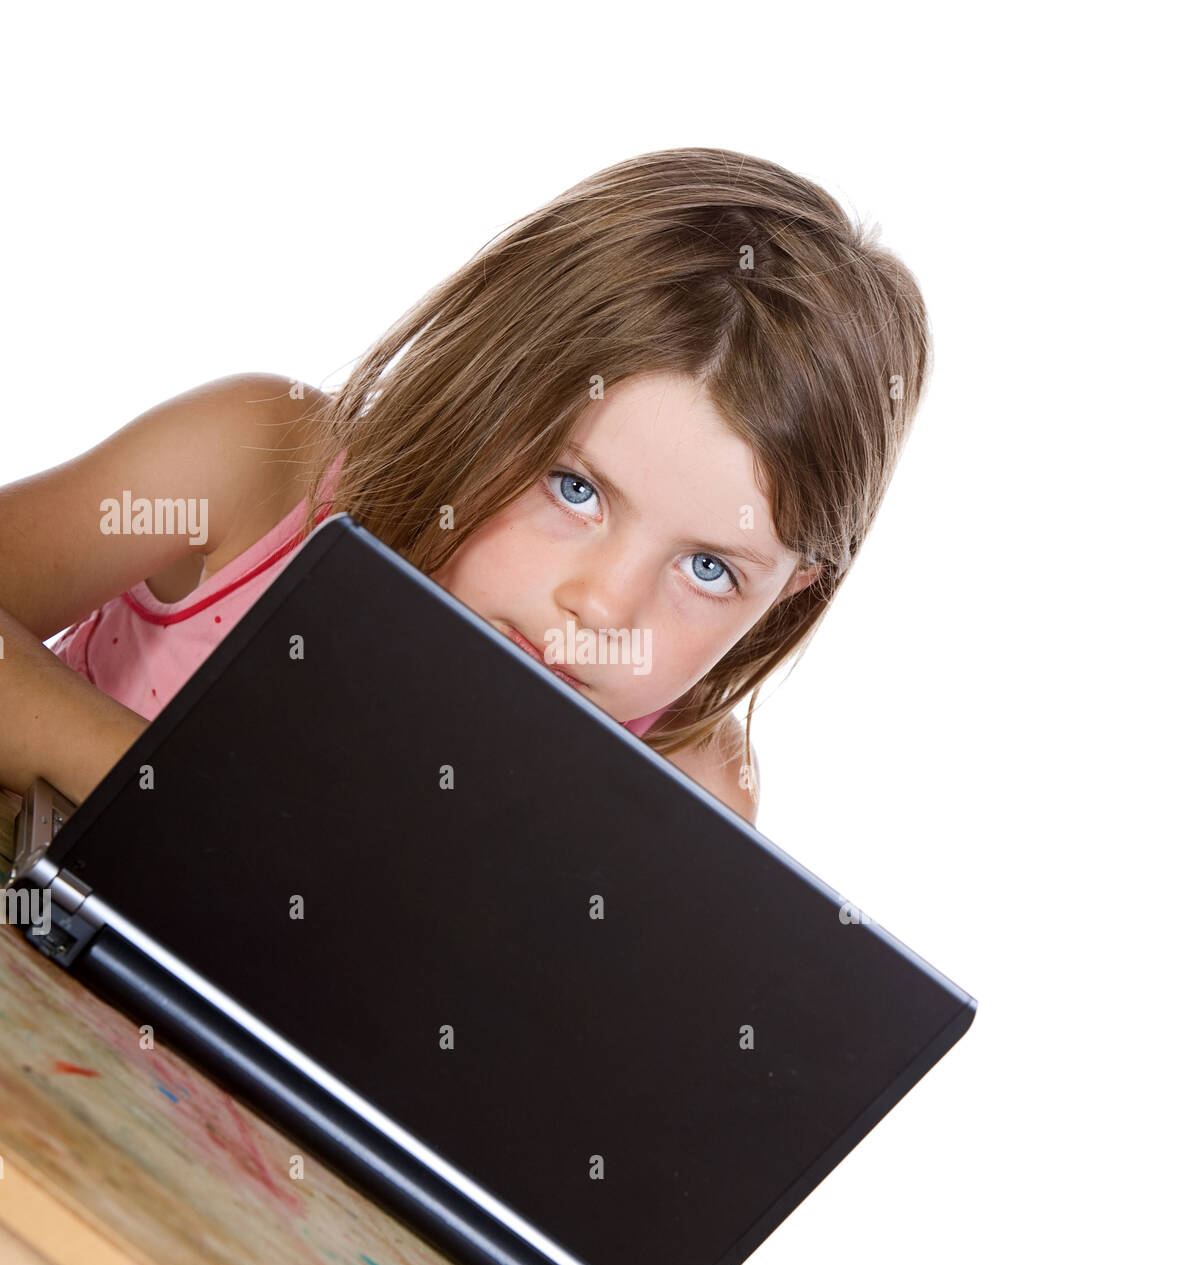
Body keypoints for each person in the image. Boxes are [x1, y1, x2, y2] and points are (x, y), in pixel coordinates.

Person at [0, 147, 931, 823]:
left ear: (789, 592)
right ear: (482, 389)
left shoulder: (688, 794)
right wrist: (176, 791)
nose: (604, 607)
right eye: (574, 490)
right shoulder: (251, 469)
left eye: (710, 569)